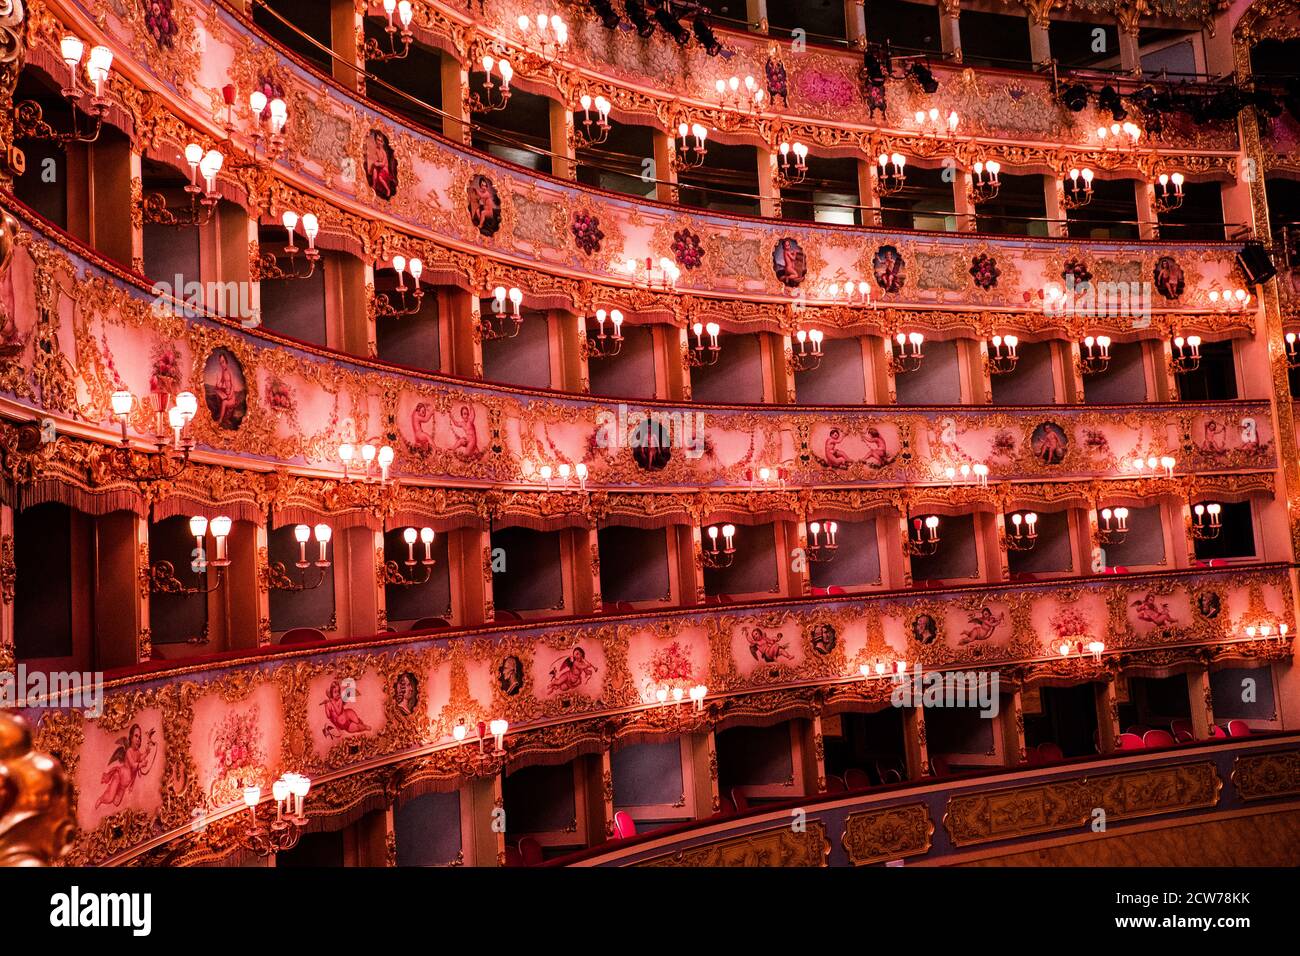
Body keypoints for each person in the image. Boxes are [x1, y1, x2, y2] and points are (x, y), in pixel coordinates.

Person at [95, 724, 158, 810]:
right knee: (110, 798)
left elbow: (140, 759)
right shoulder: (129, 751)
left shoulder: (137, 752)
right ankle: (101, 799)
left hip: (124, 785)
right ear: (131, 737)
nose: (138, 739)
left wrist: (146, 753)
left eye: (139, 737)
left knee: (116, 802)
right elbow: (133, 765)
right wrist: (141, 765)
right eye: (136, 736)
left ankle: (113, 792)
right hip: (119, 776)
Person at [213, 352, 240, 427]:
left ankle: (220, 420)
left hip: (231, 397)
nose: (222, 364)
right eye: (220, 363)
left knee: (224, 402)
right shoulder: (223, 371)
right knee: (217, 392)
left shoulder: (230, 371)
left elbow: (233, 385)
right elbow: (221, 382)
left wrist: (230, 395)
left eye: (223, 362)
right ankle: (220, 414)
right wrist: (218, 385)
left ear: (226, 361)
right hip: (226, 393)